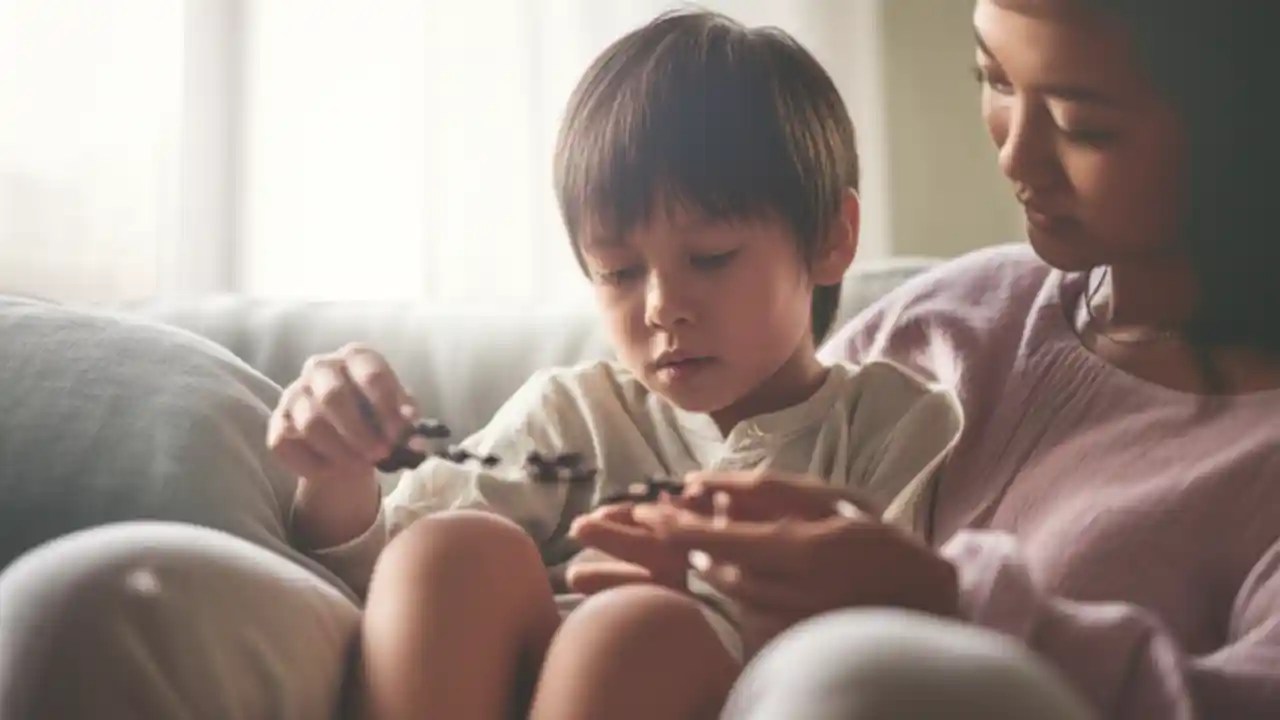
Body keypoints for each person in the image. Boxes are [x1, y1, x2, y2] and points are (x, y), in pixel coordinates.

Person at [264, 11, 961, 720]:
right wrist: (336, 468)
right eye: (619, 271)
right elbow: (375, 577)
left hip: (724, 688)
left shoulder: (893, 424)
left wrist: (698, 601)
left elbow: (899, 656)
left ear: (830, 239)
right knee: (448, 549)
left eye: (711, 258)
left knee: (634, 628)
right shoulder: (574, 413)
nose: (661, 307)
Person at [618, 1, 1280, 718]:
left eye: (1083, 125)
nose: (1014, 156)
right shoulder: (945, 317)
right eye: (994, 79)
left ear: (1241, 129)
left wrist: (948, 603)